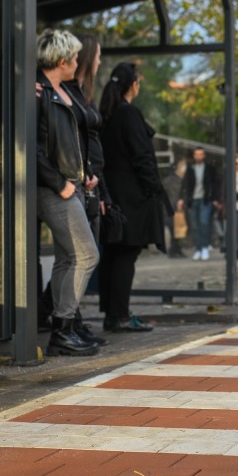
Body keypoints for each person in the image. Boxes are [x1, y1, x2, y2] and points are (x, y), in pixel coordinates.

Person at [37, 35, 108, 347]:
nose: (79, 64)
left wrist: (87, 173)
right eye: (75, 59)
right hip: (56, 188)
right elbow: (33, 148)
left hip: (75, 184)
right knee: (87, 255)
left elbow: (76, 140)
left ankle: (67, 326)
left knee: (67, 258)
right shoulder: (37, 93)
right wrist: (60, 183)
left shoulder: (63, 91)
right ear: (62, 60)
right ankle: (63, 328)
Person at [98, 62, 172, 333]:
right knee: (126, 255)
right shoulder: (128, 114)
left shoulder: (107, 112)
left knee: (115, 253)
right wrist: (154, 188)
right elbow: (142, 156)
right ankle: (119, 316)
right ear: (133, 85)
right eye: (138, 80)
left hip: (113, 193)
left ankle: (113, 313)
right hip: (131, 196)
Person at [177, 146, 219, 261]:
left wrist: (215, 199)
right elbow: (184, 184)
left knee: (204, 223)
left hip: (205, 200)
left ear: (204, 155)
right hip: (192, 200)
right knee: (195, 226)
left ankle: (205, 247)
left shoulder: (210, 168)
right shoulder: (190, 168)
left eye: (201, 154)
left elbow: (215, 184)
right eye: (197, 154)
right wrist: (181, 198)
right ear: (194, 155)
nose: (199, 156)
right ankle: (198, 248)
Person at [163, 157, 187, 258]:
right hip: (171, 209)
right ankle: (174, 250)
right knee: (174, 230)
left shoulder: (184, 179)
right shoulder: (169, 180)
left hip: (180, 209)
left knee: (179, 230)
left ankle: (176, 249)